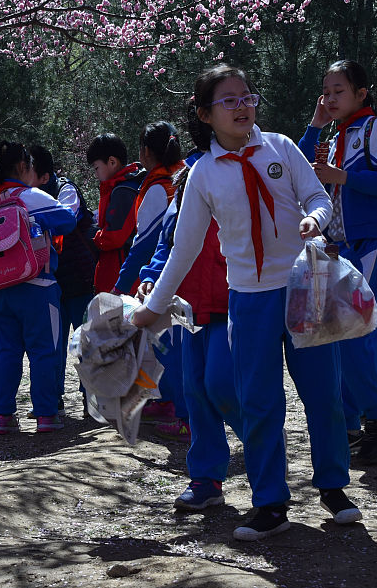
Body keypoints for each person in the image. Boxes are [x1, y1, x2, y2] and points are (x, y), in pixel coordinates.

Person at [132, 64, 361, 542]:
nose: (242, 106)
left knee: (324, 395)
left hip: (303, 288)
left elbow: (317, 195)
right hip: (249, 302)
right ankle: (270, 502)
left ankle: (335, 487)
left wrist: (315, 219)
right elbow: (184, 247)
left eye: (247, 97)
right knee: (259, 403)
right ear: (205, 114)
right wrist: (155, 302)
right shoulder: (202, 175)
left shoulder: (280, 146)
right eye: (228, 100)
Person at [297, 60, 377, 464]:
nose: (331, 97)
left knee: (356, 331)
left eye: (339, 90)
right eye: (326, 91)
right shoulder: (335, 132)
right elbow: (298, 169)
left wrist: (342, 177)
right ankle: (351, 426)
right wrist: (315, 123)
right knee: (334, 335)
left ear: (362, 93)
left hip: (371, 242)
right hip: (335, 246)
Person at [137, 140, 242, 510]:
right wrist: (151, 276)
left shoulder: (241, 174)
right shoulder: (182, 183)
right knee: (195, 391)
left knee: (223, 386)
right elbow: (167, 245)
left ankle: (265, 458)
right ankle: (206, 480)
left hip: (232, 304)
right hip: (187, 310)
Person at [0, 141, 77, 434]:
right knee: (43, 350)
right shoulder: (31, 196)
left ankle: (1, 416)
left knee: (6, 351)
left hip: (0, 290)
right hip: (37, 285)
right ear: (23, 167)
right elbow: (67, 220)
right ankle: (46, 415)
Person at [116, 122, 187, 430]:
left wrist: (120, 285)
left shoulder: (159, 187)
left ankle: (179, 414)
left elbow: (146, 242)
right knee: (172, 346)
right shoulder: (184, 177)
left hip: (166, 279)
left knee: (169, 347)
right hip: (185, 273)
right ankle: (168, 404)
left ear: (146, 151)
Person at [28, 144, 98, 413]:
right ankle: (53, 398)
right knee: (53, 344)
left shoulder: (66, 190)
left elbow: (64, 221)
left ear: (44, 177)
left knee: (85, 342)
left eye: (28, 169)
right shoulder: (30, 195)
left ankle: (91, 398)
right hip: (51, 280)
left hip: (78, 278)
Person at [86, 133, 146, 294]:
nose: (96, 174)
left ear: (112, 162)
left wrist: (93, 234)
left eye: (97, 168)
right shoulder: (126, 185)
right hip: (124, 275)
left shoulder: (124, 190)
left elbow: (114, 236)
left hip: (121, 279)